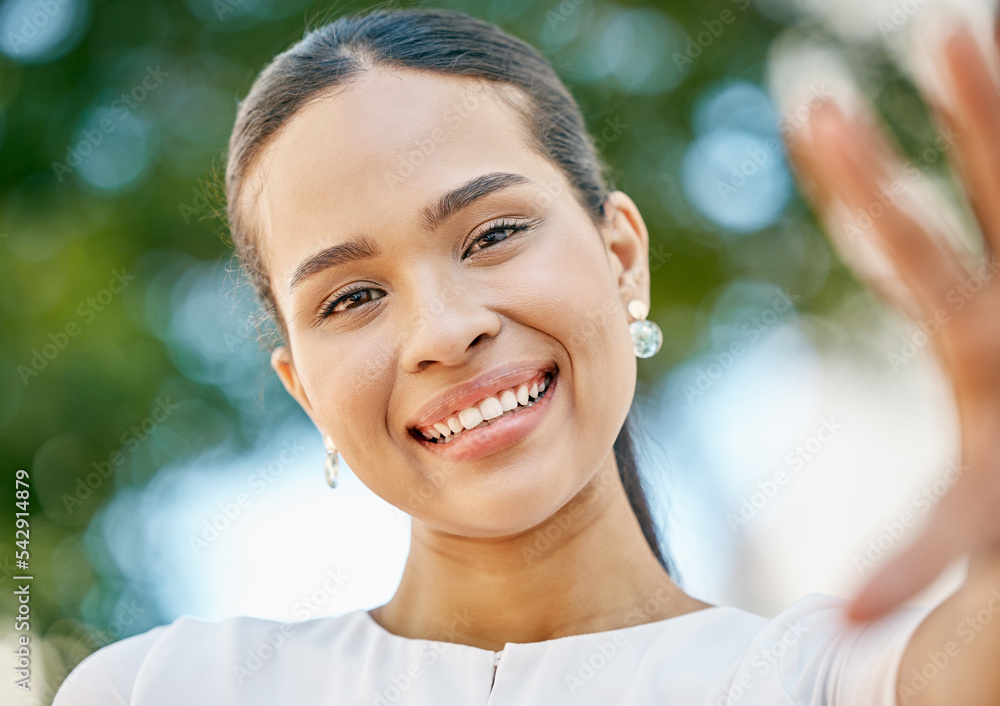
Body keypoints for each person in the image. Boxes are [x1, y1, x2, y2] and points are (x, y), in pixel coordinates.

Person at [52, 5, 1000, 705]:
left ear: (621, 258)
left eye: (492, 233)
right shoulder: (164, 690)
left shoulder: (834, 682)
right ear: (304, 391)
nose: (442, 330)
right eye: (351, 297)